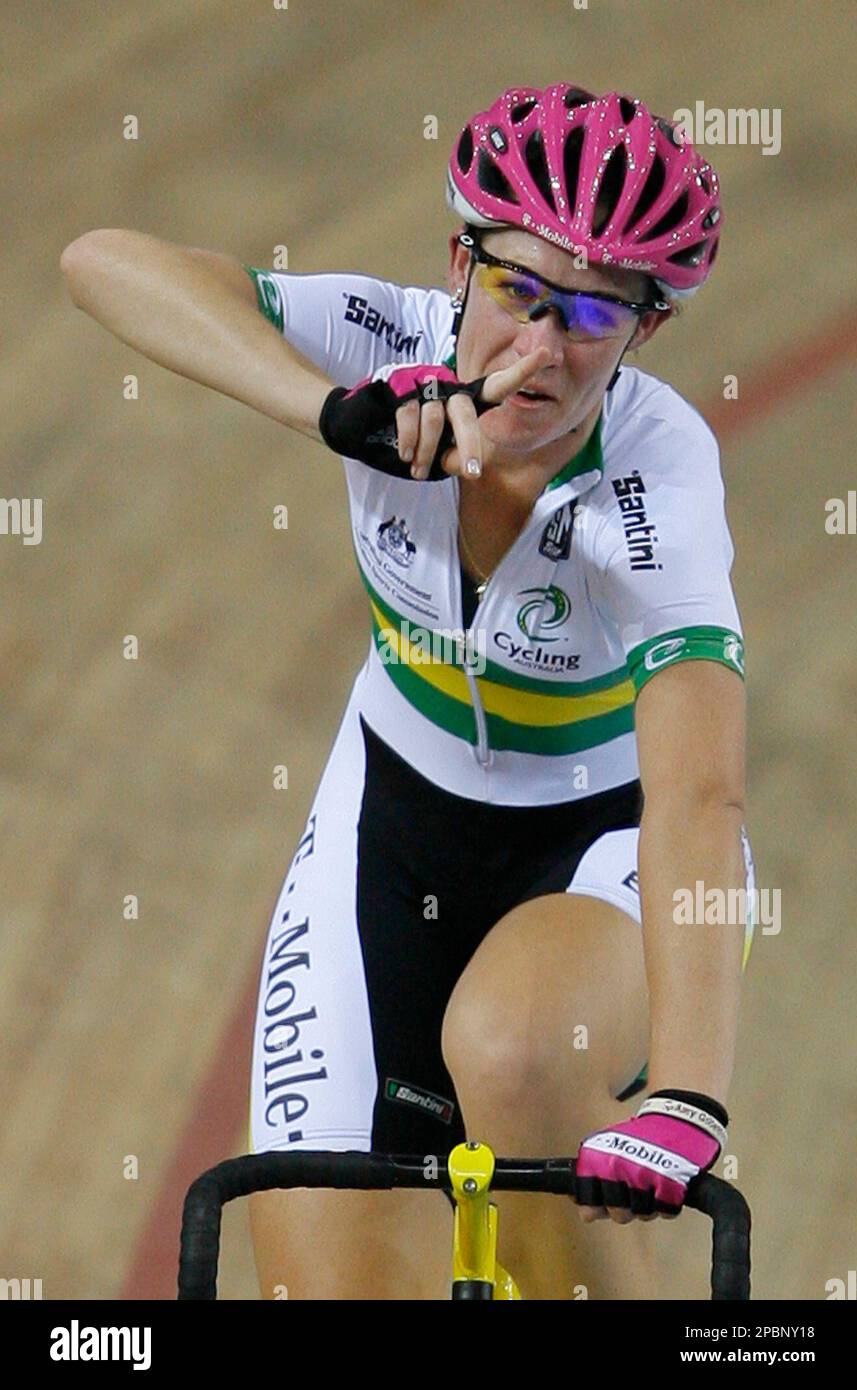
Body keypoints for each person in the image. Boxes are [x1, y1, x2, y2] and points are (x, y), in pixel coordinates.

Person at [61, 81, 754, 1301]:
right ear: (457, 262)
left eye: (591, 313)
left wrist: (693, 1085)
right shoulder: (385, 345)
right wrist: (326, 410)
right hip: (393, 809)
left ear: (644, 330)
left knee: (515, 1049)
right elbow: (102, 262)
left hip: (601, 841)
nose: (540, 348)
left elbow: (698, 793)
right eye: (517, 292)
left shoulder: (658, 477)